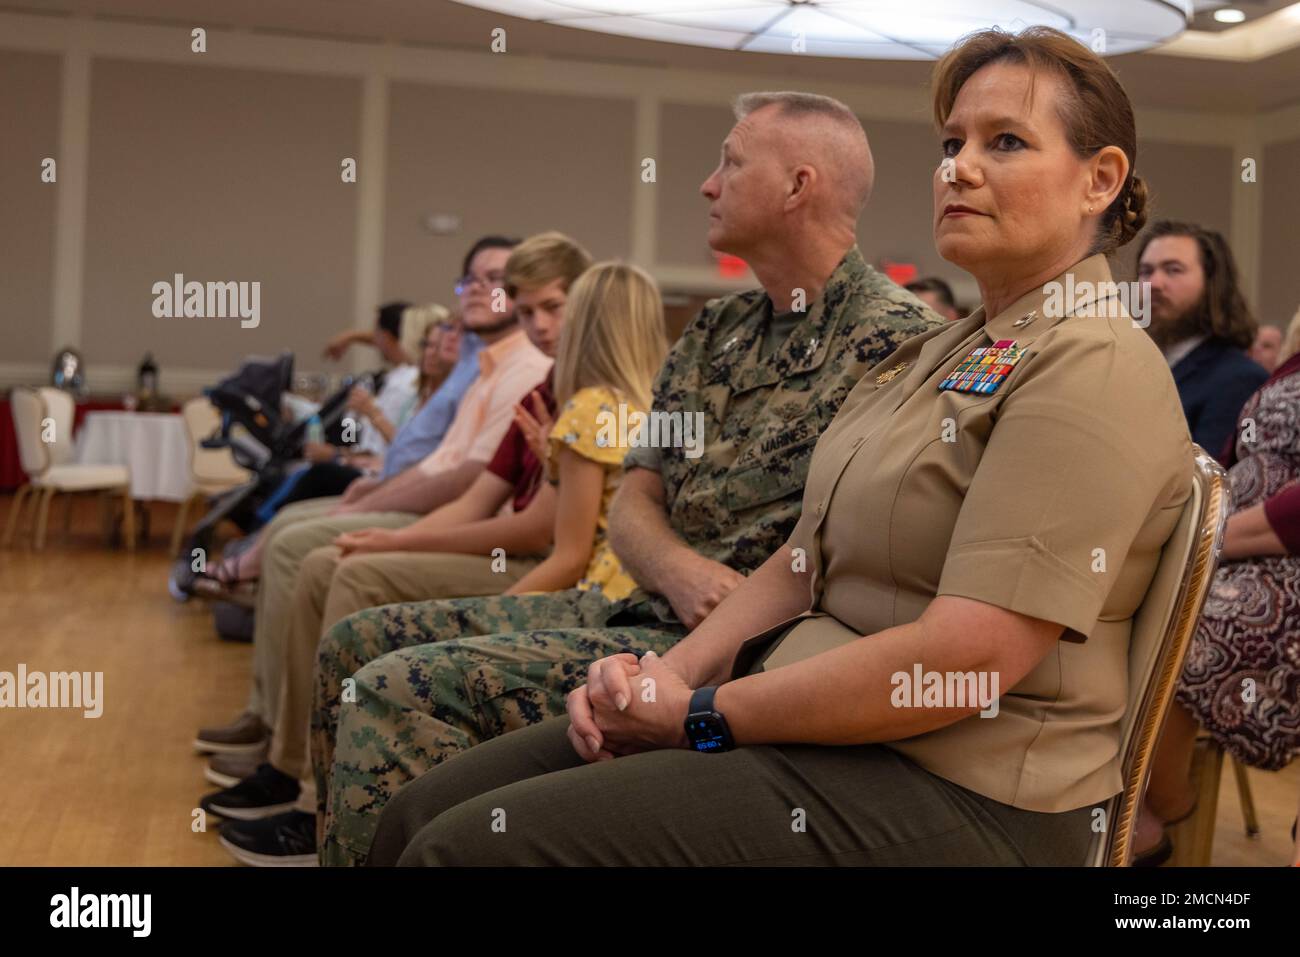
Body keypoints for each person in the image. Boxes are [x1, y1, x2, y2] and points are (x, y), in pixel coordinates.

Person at [365, 25, 1194, 868]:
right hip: (821, 726)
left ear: (1101, 179)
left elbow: (969, 663)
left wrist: (702, 713)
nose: (958, 168)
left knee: (461, 852)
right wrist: (668, 676)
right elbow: (805, 557)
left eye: (1005, 142)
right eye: (952, 143)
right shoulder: (950, 347)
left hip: (964, 791)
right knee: (418, 811)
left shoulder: (1090, 363)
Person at [311, 89, 944, 866]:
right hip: (632, 608)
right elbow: (638, 494)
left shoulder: (902, 345)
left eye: (729, 163)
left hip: (738, 656)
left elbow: (866, 551)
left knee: (392, 687)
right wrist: (676, 567)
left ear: (798, 186)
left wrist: (703, 613)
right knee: (354, 642)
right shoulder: (717, 330)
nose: (707, 184)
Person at [204, 240, 665, 865]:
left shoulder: (573, 398)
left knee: (347, 588)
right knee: (317, 553)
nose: (539, 326)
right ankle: (295, 773)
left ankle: (318, 807)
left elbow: (553, 542)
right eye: (528, 310)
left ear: (585, 317)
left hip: (578, 587)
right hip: (596, 587)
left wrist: (488, 602)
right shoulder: (622, 403)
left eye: (552, 309)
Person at [193, 234, 553, 756]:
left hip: (472, 529)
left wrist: (372, 508)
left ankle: (288, 750)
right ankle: (270, 721)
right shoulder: (487, 367)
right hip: (451, 510)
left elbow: (467, 485)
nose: (479, 290)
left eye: (496, 280)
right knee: (295, 525)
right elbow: (438, 464)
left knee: (301, 547)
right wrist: (373, 493)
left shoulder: (526, 369)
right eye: (470, 280)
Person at [1135, 306, 1300, 866]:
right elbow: (1225, 459)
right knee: (1124, 604)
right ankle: (1119, 799)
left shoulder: (1235, 371)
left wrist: (1215, 538)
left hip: (1279, 560)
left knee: (1190, 636)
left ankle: (1162, 806)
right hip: (1232, 542)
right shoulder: (1286, 367)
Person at [1137, 221, 1267, 458]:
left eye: (1173, 269)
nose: (1153, 284)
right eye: (1146, 271)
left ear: (1212, 283)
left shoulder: (1239, 378)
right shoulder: (1134, 364)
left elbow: (1208, 483)